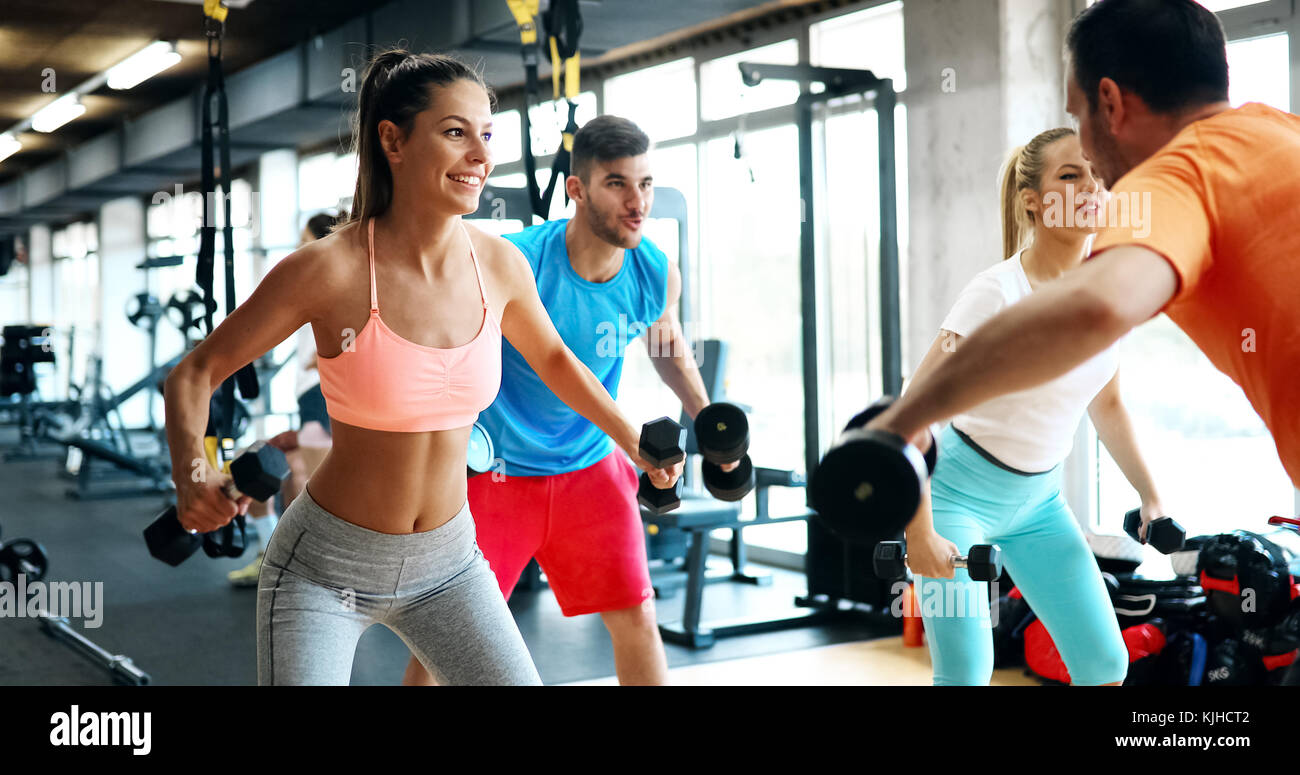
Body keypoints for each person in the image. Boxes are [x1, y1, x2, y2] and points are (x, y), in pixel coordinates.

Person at [163, 50, 680, 686]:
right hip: (326, 566)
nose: (481, 156)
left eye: (487, 135)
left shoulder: (499, 266)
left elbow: (553, 359)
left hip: (449, 562)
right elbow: (194, 373)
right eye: (456, 132)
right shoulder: (331, 269)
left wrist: (636, 445)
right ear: (393, 140)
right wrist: (193, 475)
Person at [869, 0, 1300, 512]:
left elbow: (1096, 308)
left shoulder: (1181, 172)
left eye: (1078, 115)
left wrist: (900, 423)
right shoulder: (1284, 131)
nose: (1088, 161)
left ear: (1111, 104)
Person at [404, 115, 733, 687]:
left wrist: (708, 421)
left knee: (636, 614)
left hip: (590, 467)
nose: (638, 203)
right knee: (446, 639)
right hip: (499, 473)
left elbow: (666, 343)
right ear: (576, 189)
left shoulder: (654, 269)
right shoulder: (521, 262)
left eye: (647, 184)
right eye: (618, 184)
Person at [904, 127, 1164, 686]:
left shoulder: (1111, 288)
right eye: (1070, 175)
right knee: (968, 669)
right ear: (1033, 201)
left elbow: (1109, 401)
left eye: (1095, 173)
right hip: (954, 498)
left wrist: (1150, 495)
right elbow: (910, 413)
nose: (1089, 185)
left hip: (1039, 504)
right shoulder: (995, 293)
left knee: (1104, 662)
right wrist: (918, 530)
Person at [228, 212, 338, 588]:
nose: (297, 243)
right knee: (265, 467)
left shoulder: (329, 277)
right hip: (311, 400)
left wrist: (334, 353)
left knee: (309, 482)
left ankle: (313, 569)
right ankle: (272, 555)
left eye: (303, 236)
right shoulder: (310, 279)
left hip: (319, 399)